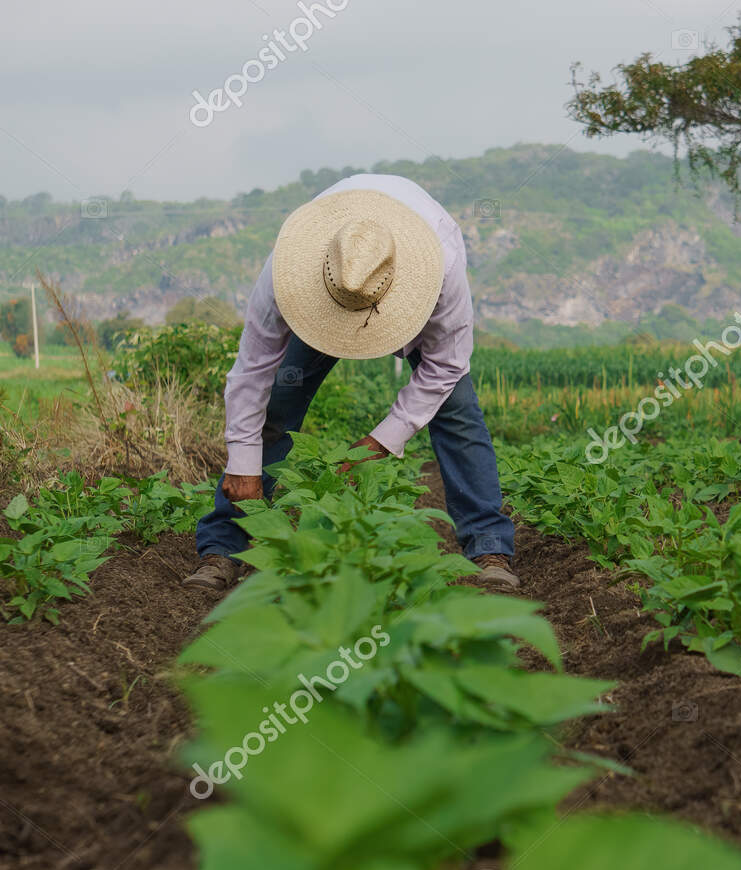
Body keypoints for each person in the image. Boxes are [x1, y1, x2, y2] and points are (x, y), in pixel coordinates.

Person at [184, 173, 517, 590]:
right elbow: (252, 371)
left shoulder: (441, 268)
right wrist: (242, 464)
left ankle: (488, 544)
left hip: (413, 296)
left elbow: (447, 365)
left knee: (458, 414)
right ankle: (224, 548)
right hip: (324, 300)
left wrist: (382, 441)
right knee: (277, 403)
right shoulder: (286, 272)